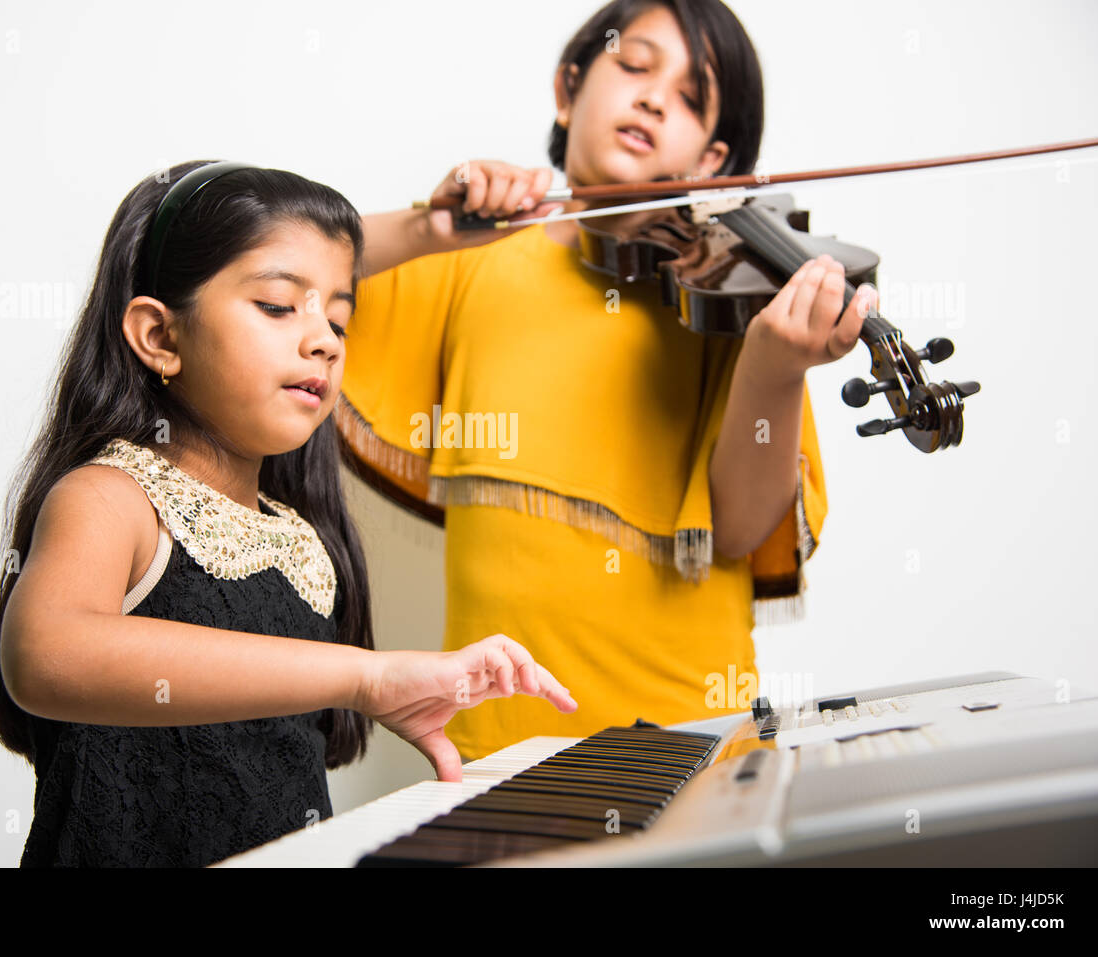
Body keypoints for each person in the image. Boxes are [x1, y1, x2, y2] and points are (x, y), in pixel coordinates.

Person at [0, 161, 576, 868]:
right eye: (276, 307)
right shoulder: (113, 496)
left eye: (339, 317)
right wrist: (365, 676)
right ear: (160, 338)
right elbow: (47, 655)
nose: (323, 336)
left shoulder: (300, 538)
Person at [339, 0, 875, 761]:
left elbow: (741, 529)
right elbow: (289, 270)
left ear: (713, 163)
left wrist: (772, 367)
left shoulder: (727, 302)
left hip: (694, 747)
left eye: (692, 99)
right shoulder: (471, 260)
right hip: (494, 751)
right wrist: (424, 228)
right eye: (635, 65)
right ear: (567, 89)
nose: (656, 98)